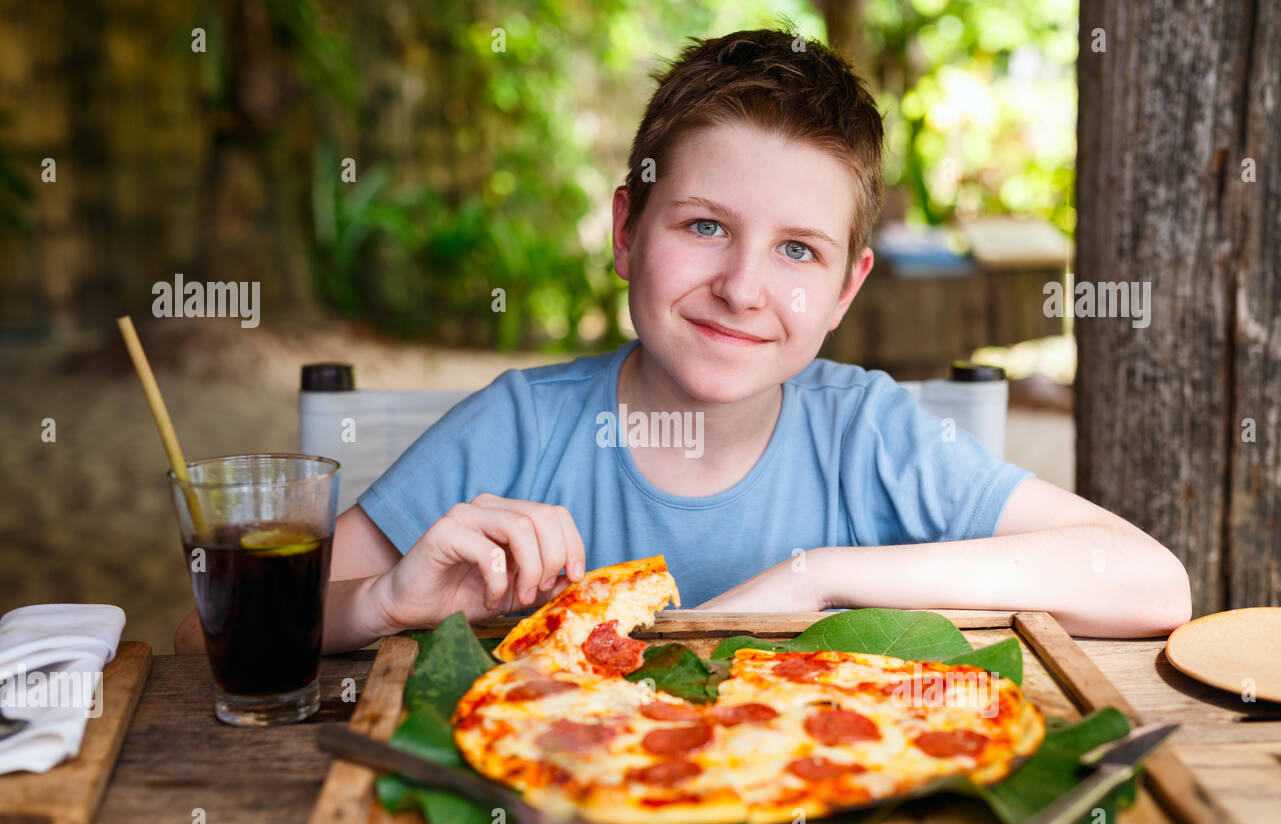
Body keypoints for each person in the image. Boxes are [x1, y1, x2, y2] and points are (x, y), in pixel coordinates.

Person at [175, 27, 1191, 655]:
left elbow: (1150, 582)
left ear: (845, 289)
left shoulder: (871, 434)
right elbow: (198, 636)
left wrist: (816, 576)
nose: (742, 287)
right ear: (627, 231)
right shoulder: (513, 430)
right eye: (703, 225)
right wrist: (386, 600)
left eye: (797, 249)